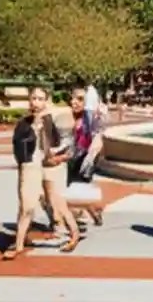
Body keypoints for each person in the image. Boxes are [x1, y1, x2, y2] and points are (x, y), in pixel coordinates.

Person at [3, 87, 81, 259]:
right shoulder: (24, 123)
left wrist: (58, 158)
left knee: (57, 203)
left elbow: (69, 144)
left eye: (40, 99)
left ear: (46, 100)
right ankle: (19, 245)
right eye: (33, 98)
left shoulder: (54, 118)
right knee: (27, 206)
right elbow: (19, 149)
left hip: (50, 165)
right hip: (31, 166)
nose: (36, 102)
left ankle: (74, 234)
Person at [66, 85, 106, 226]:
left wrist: (90, 158)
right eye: (73, 98)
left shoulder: (91, 119)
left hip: (85, 157)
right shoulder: (68, 117)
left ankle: (79, 219)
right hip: (71, 157)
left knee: (78, 188)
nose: (74, 102)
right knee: (72, 188)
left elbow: (98, 138)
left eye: (80, 99)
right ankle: (91, 212)